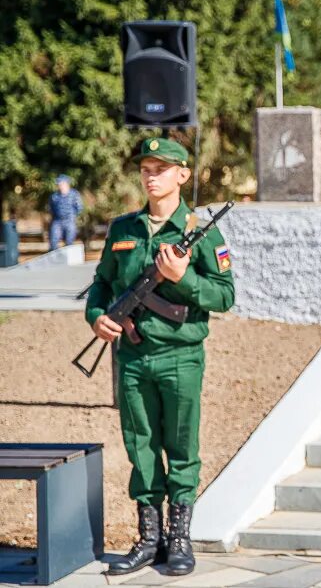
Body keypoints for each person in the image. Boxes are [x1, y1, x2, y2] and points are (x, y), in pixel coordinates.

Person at [85, 138, 234, 577]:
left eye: (162, 169)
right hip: (132, 358)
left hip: (180, 355)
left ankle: (179, 538)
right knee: (141, 447)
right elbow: (100, 284)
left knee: (182, 448)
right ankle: (149, 540)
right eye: (147, 169)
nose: (152, 176)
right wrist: (97, 316)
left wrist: (182, 279)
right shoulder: (123, 229)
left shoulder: (201, 231)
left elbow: (225, 295)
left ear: (183, 175)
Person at [48, 174, 83, 250]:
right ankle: (54, 259)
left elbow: (79, 208)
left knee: (69, 242)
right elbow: (51, 208)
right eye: (59, 184)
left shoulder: (74, 194)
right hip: (57, 220)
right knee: (53, 240)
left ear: (67, 184)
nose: (60, 186)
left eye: (61, 184)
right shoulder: (55, 196)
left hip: (70, 220)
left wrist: (72, 216)